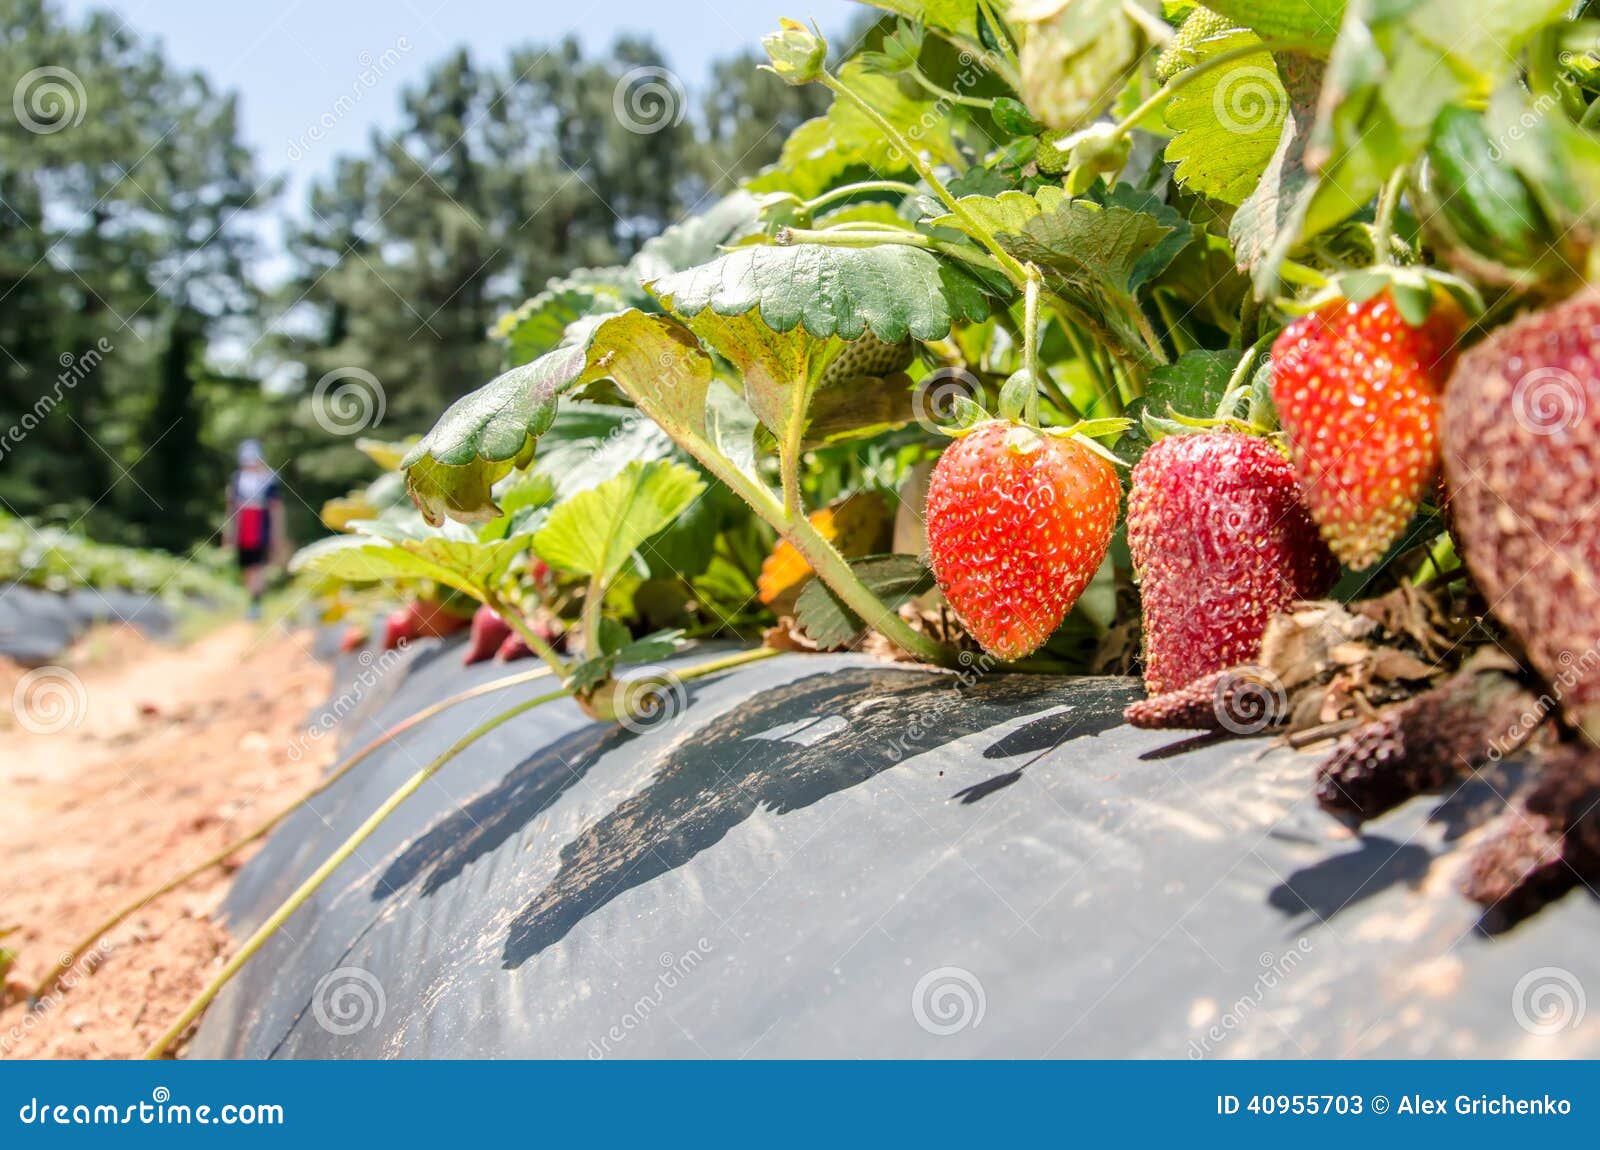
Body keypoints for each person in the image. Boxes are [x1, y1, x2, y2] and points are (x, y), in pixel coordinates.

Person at [224, 439, 287, 619]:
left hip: (261, 527)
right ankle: (253, 600)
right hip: (244, 529)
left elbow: (276, 510)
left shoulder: (270, 480)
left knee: (258, 566)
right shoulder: (237, 480)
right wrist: (229, 532)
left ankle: (256, 603)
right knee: (248, 568)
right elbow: (231, 508)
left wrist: (277, 535)